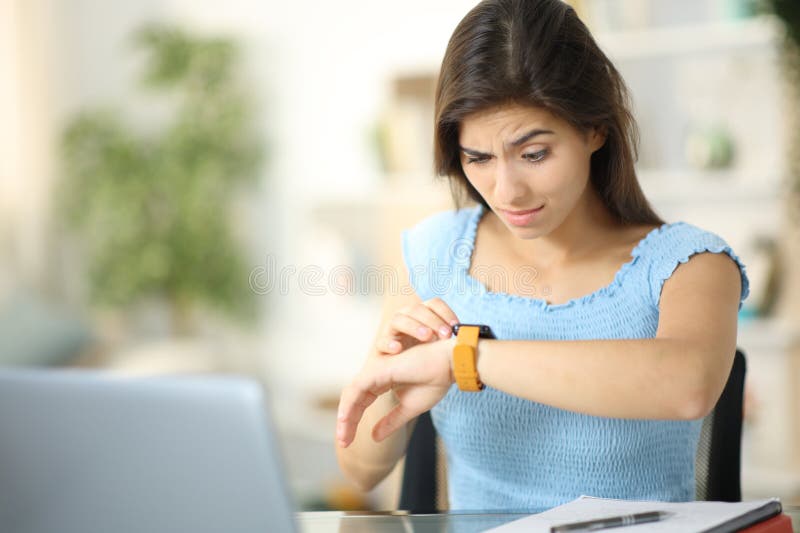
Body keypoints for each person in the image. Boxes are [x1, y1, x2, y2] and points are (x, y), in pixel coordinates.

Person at [335, 0, 750, 512]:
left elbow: (686, 386)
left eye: (534, 154)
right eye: (478, 158)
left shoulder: (689, 264)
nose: (505, 189)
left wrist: (464, 358)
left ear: (594, 129)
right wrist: (396, 388)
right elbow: (359, 469)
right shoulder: (433, 253)